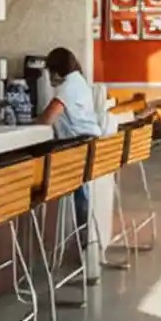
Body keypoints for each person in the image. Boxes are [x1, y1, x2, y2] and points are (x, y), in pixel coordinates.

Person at [36, 47, 102, 273]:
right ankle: (81, 242)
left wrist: (31, 126)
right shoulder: (78, 81)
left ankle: (79, 242)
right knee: (81, 194)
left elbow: (50, 115)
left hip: (78, 148)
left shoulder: (68, 86)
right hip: (86, 145)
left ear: (56, 70)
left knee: (78, 195)